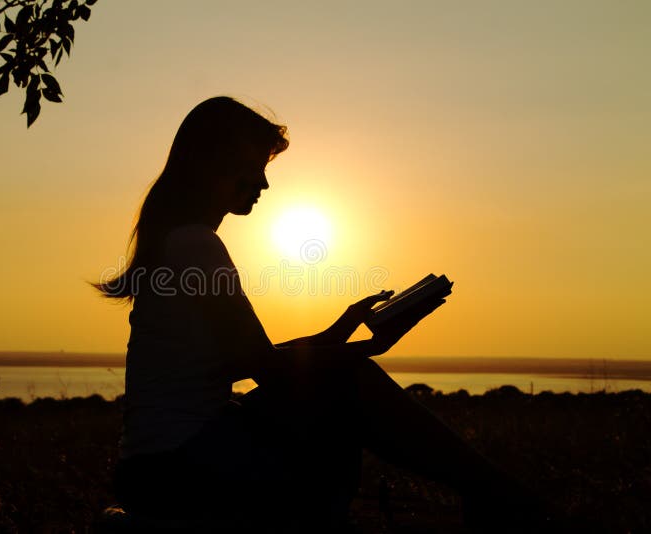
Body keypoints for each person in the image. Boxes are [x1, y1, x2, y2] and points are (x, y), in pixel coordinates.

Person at [96, 96, 550, 532]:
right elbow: (267, 368)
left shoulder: (181, 241)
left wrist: (338, 332)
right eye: (256, 166)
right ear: (216, 163)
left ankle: (491, 494)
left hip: (157, 468)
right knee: (349, 384)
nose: (264, 183)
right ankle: (497, 496)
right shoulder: (196, 245)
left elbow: (244, 359)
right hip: (176, 468)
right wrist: (360, 350)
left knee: (342, 382)